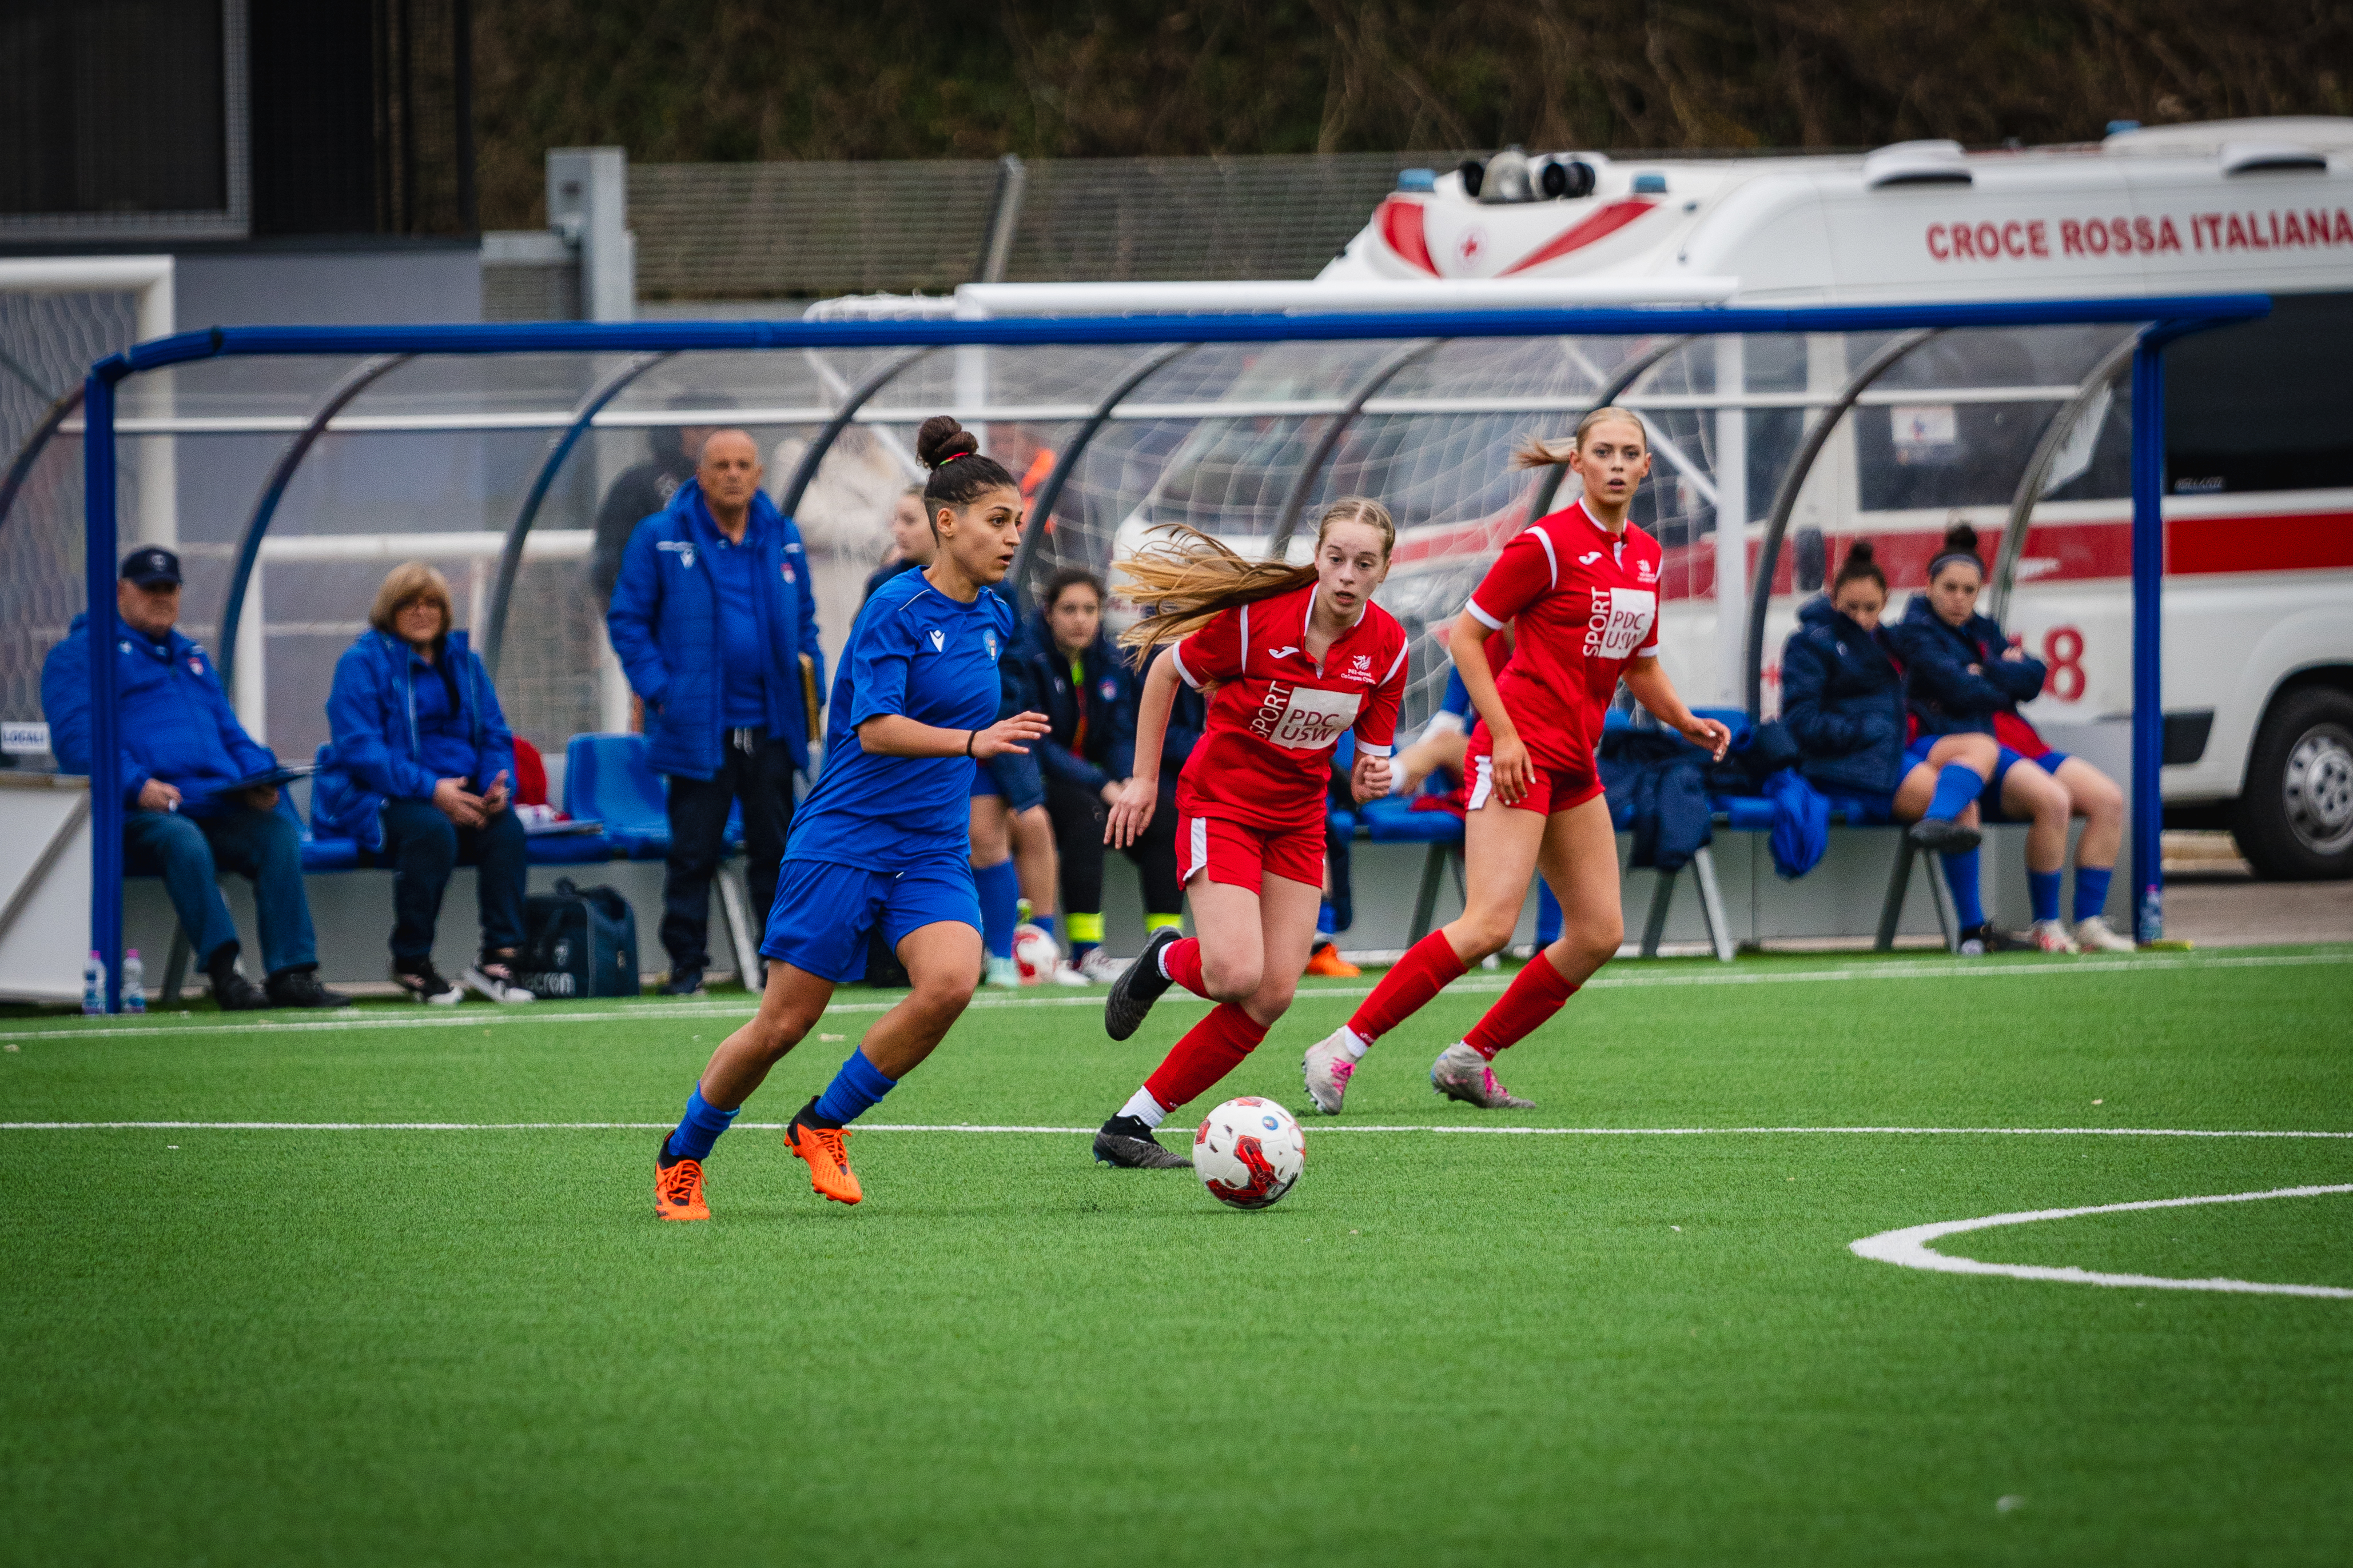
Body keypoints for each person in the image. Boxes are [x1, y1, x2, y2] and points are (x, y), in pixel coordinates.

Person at [651, 416, 1049, 1220]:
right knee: (783, 1023)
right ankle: (683, 1153)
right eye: (996, 521)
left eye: (1015, 521)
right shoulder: (894, 608)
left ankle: (822, 1122)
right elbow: (875, 729)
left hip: (930, 847)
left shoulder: (996, 616)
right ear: (947, 523)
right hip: (845, 840)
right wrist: (974, 740)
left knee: (948, 983)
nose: (1012, 536)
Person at [1299, 408, 1729, 1116]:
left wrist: (1684, 721)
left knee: (1597, 932)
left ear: (1646, 467)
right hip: (1517, 752)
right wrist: (1500, 736)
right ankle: (1341, 1047)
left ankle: (1469, 1057)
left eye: (1630, 453)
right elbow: (1464, 637)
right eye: (1603, 452)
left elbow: (1640, 664)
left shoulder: (1645, 556)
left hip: (1573, 761)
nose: (1617, 464)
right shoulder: (1546, 545)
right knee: (1489, 924)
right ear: (1578, 464)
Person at [1088, 500, 1408, 1170]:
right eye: (1336, 559)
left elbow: (1369, 760)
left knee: (1270, 995)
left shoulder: (1388, 647)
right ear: (1317, 559)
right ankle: (1165, 961)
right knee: (1234, 971)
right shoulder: (1255, 624)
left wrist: (1374, 777)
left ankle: (1131, 1126)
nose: (1346, 575)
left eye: (1363, 563)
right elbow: (1166, 670)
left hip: (1296, 819)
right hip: (1221, 805)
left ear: (1383, 571)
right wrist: (1144, 780)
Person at [41, 546, 347, 1011]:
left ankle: (292, 973)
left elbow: (230, 732)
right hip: (132, 811)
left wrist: (261, 775)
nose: (161, 597)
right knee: (182, 839)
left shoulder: (191, 657)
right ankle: (227, 976)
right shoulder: (79, 655)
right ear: (121, 591)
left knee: (276, 835)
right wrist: (137, 784)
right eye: (150, 588)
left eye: (170, 588)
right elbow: (79, 742)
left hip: (210, 800)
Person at [607, 428, 825, 995]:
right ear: (699, 475)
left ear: (758, 475)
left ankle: (780, 968)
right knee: (692, 854)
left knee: (778, 853)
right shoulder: (659, 536)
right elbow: (627, 621)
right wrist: (663, 692)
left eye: (743, 465)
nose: (732, 474)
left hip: (773, 724)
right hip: (697, 728)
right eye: (720, 465)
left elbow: (805, 623)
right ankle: (686, 968)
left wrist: (813, 692)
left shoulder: (783, 536)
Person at [1890, 524, 2135, 953]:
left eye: (1969, 589)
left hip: (2015, 740)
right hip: (1965, 744)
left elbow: (2034, 676)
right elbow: (1958, 689)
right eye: (1949, 588)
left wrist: (1985, 672)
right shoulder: (1915, 630)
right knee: (2054, 800)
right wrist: (1999, 674)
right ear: (1928, 585)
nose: (1959, 598)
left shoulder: (1982, 628)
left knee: (2108, 799)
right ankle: (2045, 923)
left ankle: (2089, 923)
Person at [867, 484, 1065, 987]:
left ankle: (1016, 950)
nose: (900, 529)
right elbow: (872, 712)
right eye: (1000, 522)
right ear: (949, 525)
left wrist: (983, 727)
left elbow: (1013, 671)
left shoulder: (997, 601)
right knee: (788, 1013)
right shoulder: (889, 595)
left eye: (909, 518)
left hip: (983, 744)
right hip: (898, 773)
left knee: (1000, 834)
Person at [313, 562, 535, 1004]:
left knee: (506, 828)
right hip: (375, 798)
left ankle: (497, 961)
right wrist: (433, 790)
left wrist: (493, 785)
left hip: (459, 794)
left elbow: (494, 733)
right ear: (388, 611)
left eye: (432, 602)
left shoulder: (466, 664)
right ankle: (412, 961)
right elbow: (361, 751)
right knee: (430, 830)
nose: (422, 611)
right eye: (409, 603)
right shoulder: (361, 663)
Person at [1779, 541, 2007, 951]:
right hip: (1843, 763)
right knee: (1964, 806)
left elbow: (1949, 669)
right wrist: (1867, 729)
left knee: (1981, 745)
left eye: (1871, 607)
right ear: (1833, 600)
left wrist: (2006, 667)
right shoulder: (1809, 643)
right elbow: (1801, 723)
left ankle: (1935, 826)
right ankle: (1972, 933)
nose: (1862, 618)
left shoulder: (1891, 639)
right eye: (1851, 608)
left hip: (1886, 752)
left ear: (1886, 601)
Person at [1009, 568, 1184, 985]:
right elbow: (1039, 743)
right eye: (1069, 609)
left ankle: (1164, 949)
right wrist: (1102, 783)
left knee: (1163, 813)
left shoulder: (1109, 660)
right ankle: (1087, 951)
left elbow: (1121, 733)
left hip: (1102, 784)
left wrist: (1127, 781)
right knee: (1087, 814)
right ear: (1048, 613)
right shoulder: (1028, 658)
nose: (1080, 619)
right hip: (1044, 784)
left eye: (1089, 609)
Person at [590, 404, 727, 608]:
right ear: (673, 433)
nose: (710, 436)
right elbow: (610, 565)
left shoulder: (733, 487)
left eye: (719, 429)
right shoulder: (638, 484)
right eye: (698, 428)